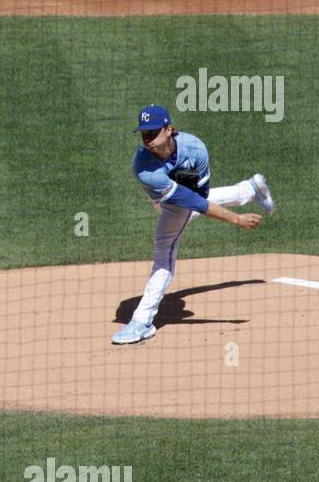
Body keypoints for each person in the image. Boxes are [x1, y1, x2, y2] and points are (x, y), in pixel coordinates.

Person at [113, 104, 275, 345]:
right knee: (182, 210)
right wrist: (236, 218)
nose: (147, 139)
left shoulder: (195, 148)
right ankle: (249, 189)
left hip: (182, 200)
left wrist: (235, 219)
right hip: (164, 199)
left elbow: (201, 196)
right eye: (144, 133)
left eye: (152, 132)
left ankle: (141, 321)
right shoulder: (143, 166)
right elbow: (192, 202)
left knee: (164, 250)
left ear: (168, 129)